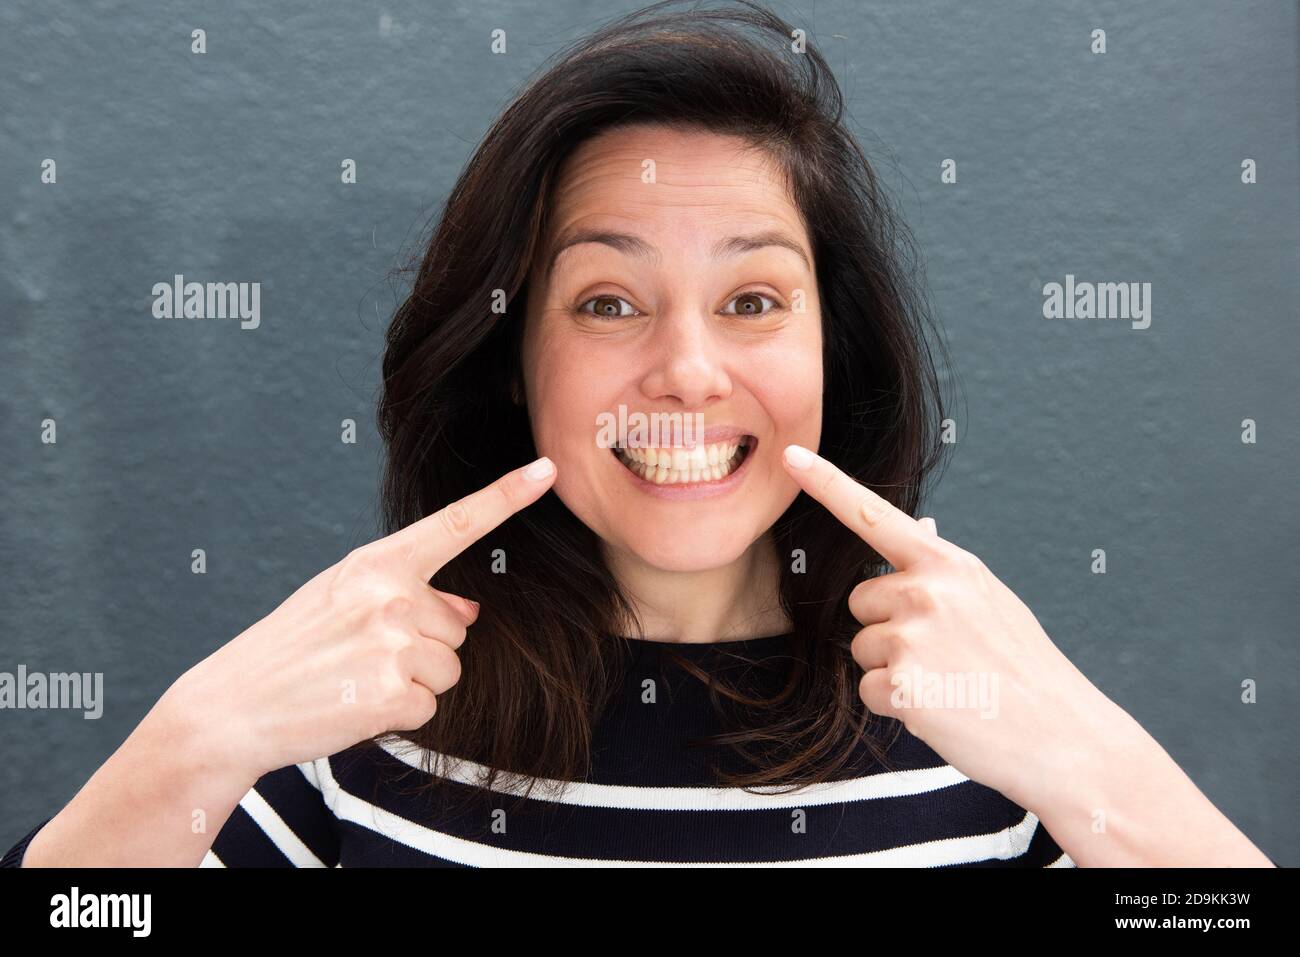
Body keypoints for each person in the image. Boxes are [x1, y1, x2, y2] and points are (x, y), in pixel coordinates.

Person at [4, 0, 1274, 868]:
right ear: (514, 356)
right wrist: (199, 734)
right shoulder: (354, 734)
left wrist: (1095, 752)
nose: (686, 369)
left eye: (753, 300)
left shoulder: (991, 739)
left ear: (843, 350)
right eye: (608, 302)